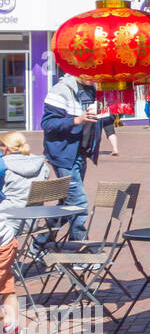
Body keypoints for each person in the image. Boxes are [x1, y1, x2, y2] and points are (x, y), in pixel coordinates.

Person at [0, 131, 54, 334]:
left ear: (5, 147)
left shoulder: (3, 164)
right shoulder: (41, 163)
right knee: (6, 283)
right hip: (32, 221)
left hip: (8, 220)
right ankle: (14, 328)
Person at [41, 74, 101, 242]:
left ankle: (40, 242)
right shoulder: (62, 89)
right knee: (79, 203)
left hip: (81, 154)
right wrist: (76, 120)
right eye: (87, 71)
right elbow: (47, 124)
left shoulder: (94, 90)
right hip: (63, 155)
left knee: (67, 204)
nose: (92, 76)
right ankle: (80, 250)